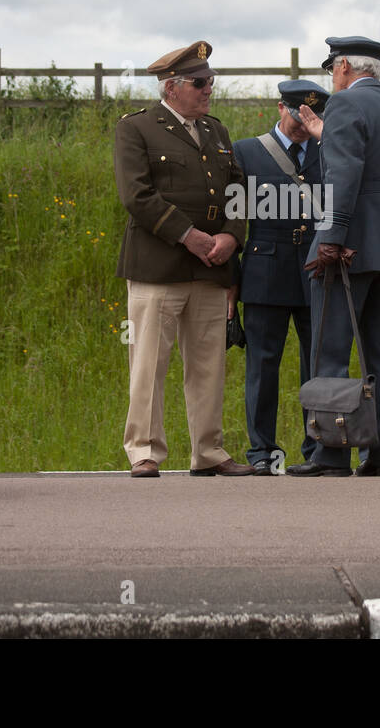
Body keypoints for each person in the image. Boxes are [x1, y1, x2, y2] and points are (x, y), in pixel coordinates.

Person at [114, 40, 253, 478]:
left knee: (209, 366)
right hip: (159, 268)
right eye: (199, 82)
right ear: (171, 87)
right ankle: (145, 451)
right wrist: (188, 235)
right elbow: (136, 195)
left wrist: (231, 236)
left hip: (211, 269)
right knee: (149, 364)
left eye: (210, 81)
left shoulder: (216, 130)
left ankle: (209, 451)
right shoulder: (137, 128)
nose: (208, 89)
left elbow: (238, 190)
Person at [287, 36, 380, 477]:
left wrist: (331, 236)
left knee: (330, 350)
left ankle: (330, 454)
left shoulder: (344, 105)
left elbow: (345, 174)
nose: (332, 77)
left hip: (350, 245)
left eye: (332, 69)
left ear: (343, 65)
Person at [230, 80, 329, 474]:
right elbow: (233, 216)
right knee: (262, 367)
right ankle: (262, 453)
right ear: (279, 108)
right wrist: (230, 281)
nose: (303, 123)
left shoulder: (327, 152)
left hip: (315, 269)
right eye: (296, 113)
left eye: (311, 116)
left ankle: (318, 450)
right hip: (265, 268)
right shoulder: (247, 151)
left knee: (317, 365)